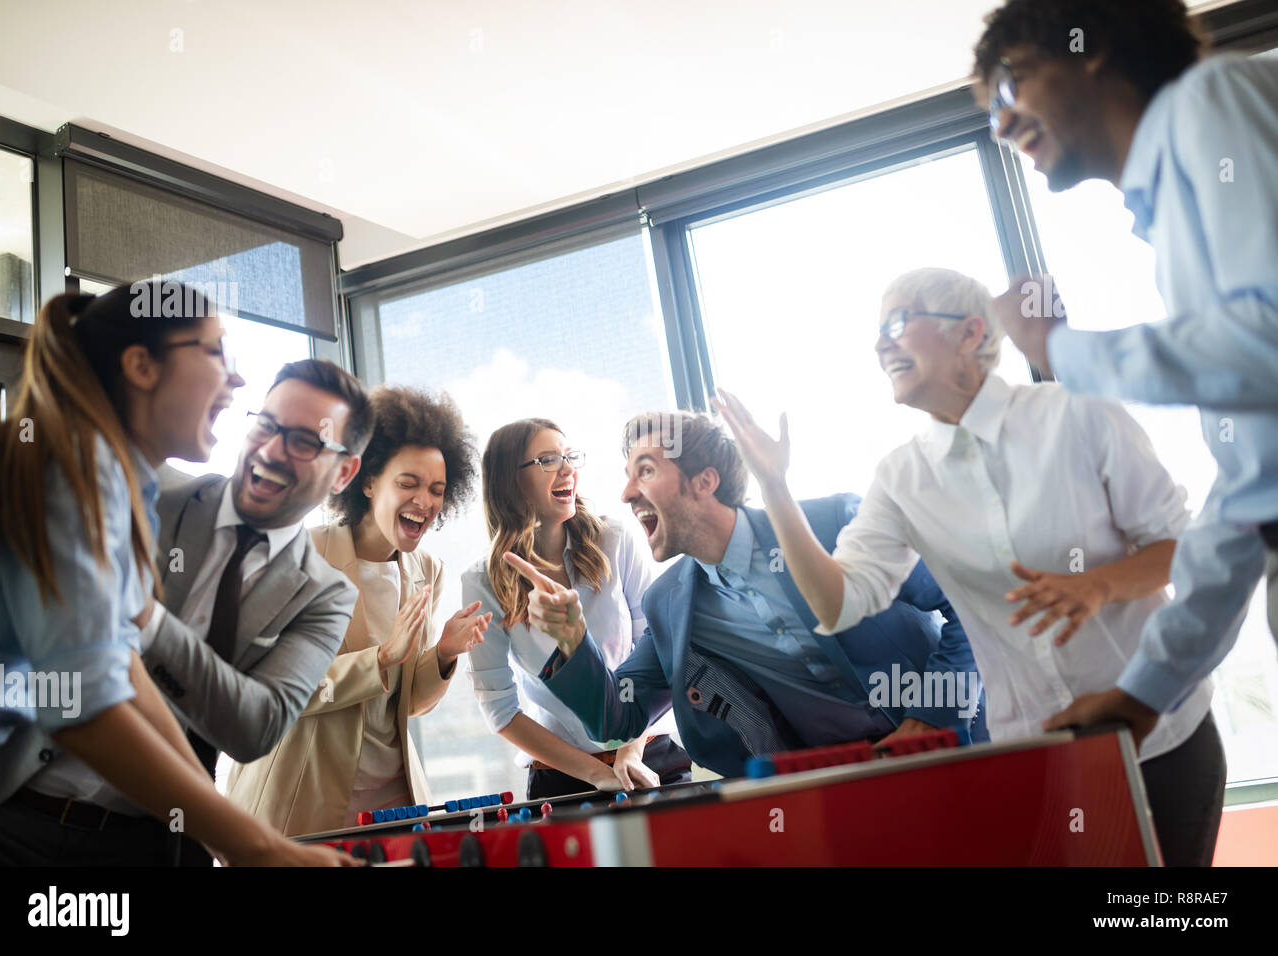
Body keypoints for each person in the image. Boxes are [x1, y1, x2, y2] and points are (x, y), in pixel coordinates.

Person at [713, 267, 1224, 865]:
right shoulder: (902, 476)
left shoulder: (1078, 414)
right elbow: (837, 602)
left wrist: (1096, 586)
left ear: (969, 332)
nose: (880, 345)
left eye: (897, 324)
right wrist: (775, 487)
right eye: (877, 333)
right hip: (1044, 761)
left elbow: (1177, 545)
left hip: (1164, 733)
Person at [971, 0, 1278, 742]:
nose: (1003, 126)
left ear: (1092, 46)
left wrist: (1062, 350)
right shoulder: (1170, 215)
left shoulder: (1207, 103)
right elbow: (1251, 494)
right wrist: (1144, 691)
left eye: (1010, 89)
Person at [0, 281, 355, 866]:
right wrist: (255, 847)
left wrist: (233, 838)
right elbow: (82, 701)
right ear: (141, 367)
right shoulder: (82, 469)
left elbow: (120, 664)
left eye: (306, 441)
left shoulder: (123, 480)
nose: (234, 381)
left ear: (343, 471)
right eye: (215, 353)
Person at [506, 410, 983, 780]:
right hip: (844, 791)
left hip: (963, 751)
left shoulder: (834, 523)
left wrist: (933, 715)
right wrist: (573, 642)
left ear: (705, 481)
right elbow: (617, 717)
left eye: (645, 471)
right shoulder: (671, 605)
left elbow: (969, 600)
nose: (627, 492)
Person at [138, 358, 373, 863]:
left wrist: (145, 620)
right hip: (22, 802)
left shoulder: (325, 595)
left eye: (304, 442)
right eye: (266, 425)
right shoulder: (150, 491)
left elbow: (255, 728)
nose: (271, 450)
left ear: (344, 472)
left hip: (163, 838)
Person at [226, 386, 491, 834]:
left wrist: (443, 654)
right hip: (302, 801)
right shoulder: (302, 555)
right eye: (408, 483)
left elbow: (406, 706)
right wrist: (381, 658)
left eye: (437, 489)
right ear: (367, 481)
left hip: (393, 804)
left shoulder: (427, 570)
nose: (425, 501)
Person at [463, 419, 689, 800]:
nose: (568, 469)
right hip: (561, 776)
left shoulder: (614, 540)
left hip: (649, 752)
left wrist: (628, 751)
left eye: (569, 457)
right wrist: (595, 774)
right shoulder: (482, 582)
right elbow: (499, 709)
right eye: (548, 460)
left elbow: (656, 649)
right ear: (508, 481)